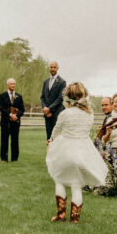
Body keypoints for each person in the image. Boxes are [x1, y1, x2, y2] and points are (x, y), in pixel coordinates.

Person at [46, 82, 107, 224]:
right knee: (76, 184)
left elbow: (57, 129)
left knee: (59, 180)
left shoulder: (65, 113)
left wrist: (51, 140)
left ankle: (61, 214)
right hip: (82, 150)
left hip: (65, 149)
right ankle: (75, 218)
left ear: (68, 96)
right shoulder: (89, 114)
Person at [0, 78, 25, 162]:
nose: (13, 85)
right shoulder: (2, 96)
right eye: (11, 84)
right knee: (4, 140)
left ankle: (14, 158)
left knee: (15, 140)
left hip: (15, 122)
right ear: (7, 85)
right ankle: (4, 158)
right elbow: (1, 108)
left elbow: (22, 109)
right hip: (5, 122)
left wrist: (17, 116)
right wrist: (10, 114)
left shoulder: (19, 96)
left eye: (14, 84)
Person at [40, 61, 66, 140]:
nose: (53, 69)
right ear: (49, 68)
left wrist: (49, 109)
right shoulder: (46, 82)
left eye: (54, 67)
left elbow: (60, 98)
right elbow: (42, 97)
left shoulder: (62, 82)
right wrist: (45, 108)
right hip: (47, 115)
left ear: (57, 68)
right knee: (48, 138)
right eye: (51, 67)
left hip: (56, 114)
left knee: (56, 138)